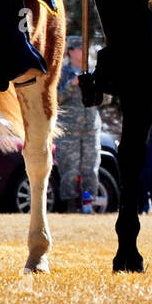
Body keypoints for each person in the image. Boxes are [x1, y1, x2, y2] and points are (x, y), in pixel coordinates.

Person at [56, 36, 100, 212]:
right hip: (69, 131)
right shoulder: (62, 73)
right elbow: (55, 99)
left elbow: (106, 100)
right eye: (80, 49)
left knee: (91, 168)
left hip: (91, 128)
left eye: (85, 48)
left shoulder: (94, 72)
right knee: (69, 169)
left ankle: (88, 205)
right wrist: (71, 85)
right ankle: (70, 205)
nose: (84, 52)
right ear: (71, 51)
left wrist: (96, 87)